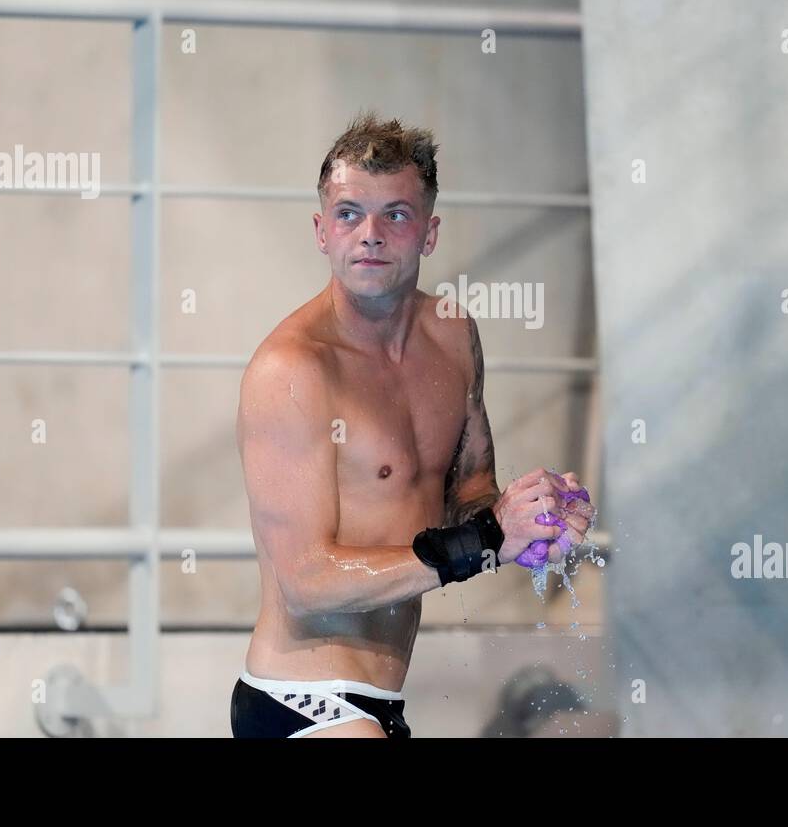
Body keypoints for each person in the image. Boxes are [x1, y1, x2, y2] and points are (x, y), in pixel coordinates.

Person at [230, 111, 594, 738]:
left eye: (395, 215)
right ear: (322, 231)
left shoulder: (454, 336)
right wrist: (482, 543)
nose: (369, 235)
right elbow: (307, 582)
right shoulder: (292, 371)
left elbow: (468, 493)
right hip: (301, 704)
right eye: (348, 214)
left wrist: (526, 520)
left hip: (382, 703)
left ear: (428, 233)